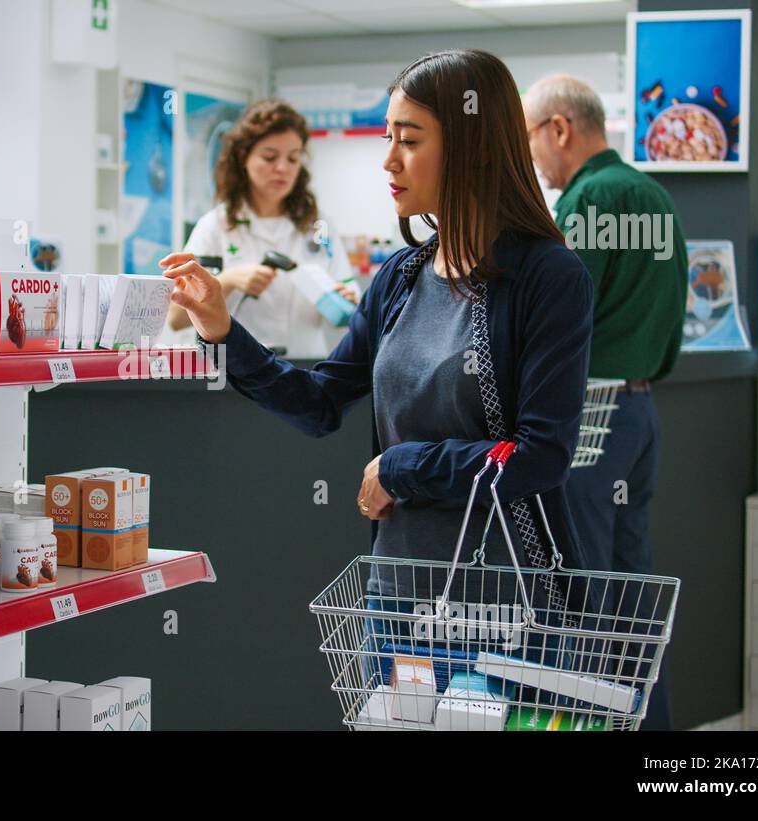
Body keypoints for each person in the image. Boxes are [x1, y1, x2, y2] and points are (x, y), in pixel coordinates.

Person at [164, 49, 594, 659]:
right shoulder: (401, 277)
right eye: (388, 137)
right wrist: (220, 329)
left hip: (506, 601)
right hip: (395, 595)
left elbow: (539, 456)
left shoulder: (548, 277)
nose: (388, 160)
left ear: (471, 147)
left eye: (410, 140)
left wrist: (402, 467)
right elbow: (318, 403)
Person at [524, 74, 686, 730]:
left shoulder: (586, 200)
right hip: (640, 414)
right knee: (633, 604)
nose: (533, 160)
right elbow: (674, 319)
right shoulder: (656, 195)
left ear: (558, 128)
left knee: (576, 597)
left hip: (588, 420)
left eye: (531, 140)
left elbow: (555, 318)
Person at [166, 99, 358, 358]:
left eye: (293, 158)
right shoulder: (216, 226)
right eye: (269, 157)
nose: (282, 168)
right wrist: (228, 281)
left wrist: (349, 300)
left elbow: (348, 309)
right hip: (238, 375)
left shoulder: (318, 226)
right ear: (244, 157)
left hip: (305, 370)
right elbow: (176, 318)